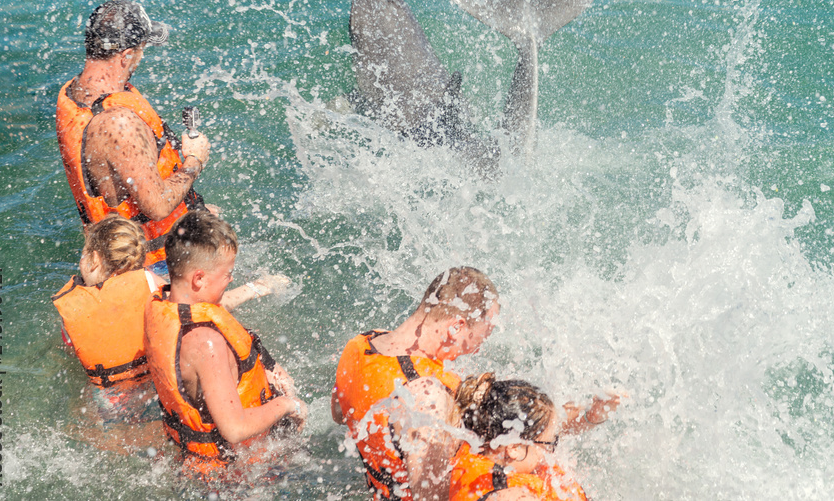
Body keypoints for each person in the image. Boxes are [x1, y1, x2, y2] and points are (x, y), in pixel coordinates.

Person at [52, 213, 289, 423]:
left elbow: (75, 352)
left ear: (93, 259)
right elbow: (202, 306)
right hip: (156, 388)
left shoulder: (72, 307)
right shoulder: (149, 284)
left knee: (82, 419)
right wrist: (256, 288)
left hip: (112, 403)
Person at [144, 210, 306, 476]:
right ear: (198, 278)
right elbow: (234, 428)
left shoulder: (163, 303)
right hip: (236, 475)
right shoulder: (205, 343)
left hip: (192, 457)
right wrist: (289, 405)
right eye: (227, 274)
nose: (230, 279)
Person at [56, 0, 210, 268]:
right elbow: (158, 206)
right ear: (125, 55)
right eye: (141, 49)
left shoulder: (74, 93)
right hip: (153, 262)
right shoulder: (118, 124)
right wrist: (194, 161)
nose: (142, 56)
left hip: (116, 251)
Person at [332, 267, 500, 501]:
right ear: (456, 327)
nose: (477, 348)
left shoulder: (361, 344)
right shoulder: (427, 397)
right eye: (480, 337)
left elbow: (339, 413)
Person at [449, 373, 620, 501]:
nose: (550, 453)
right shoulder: (513, 497)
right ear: (514, 447)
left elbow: (556, 426)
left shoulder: (474, 444)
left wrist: (593, 414)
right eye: (549, 445)